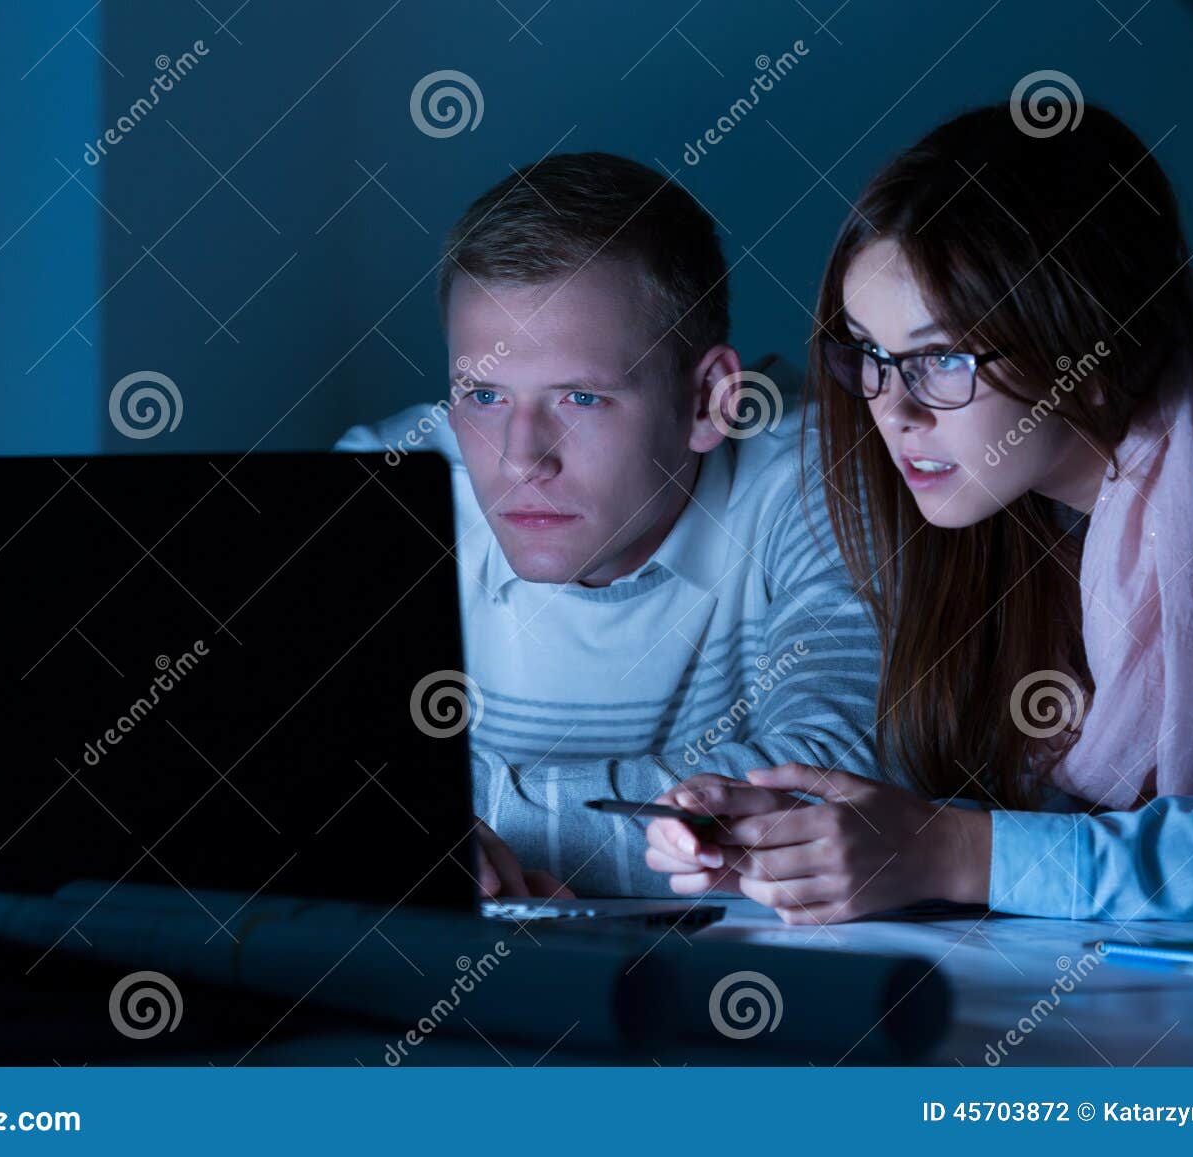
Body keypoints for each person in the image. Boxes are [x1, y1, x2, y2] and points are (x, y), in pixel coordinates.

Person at [645, 103, 1193, 922]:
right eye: (868, 351)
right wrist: (802, 837)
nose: (892, 409)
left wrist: (951, 852)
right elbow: (988, 807)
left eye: (942, 357)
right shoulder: (985, 483)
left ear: (1087, 352)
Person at [335, 153, 888, 897]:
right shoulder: (386, 486)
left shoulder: (824, 475)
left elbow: (834, 792)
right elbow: (283, 776)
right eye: (485, 396)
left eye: (580, 398)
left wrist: (432, 828)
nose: (522, 459)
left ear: (709, 402)